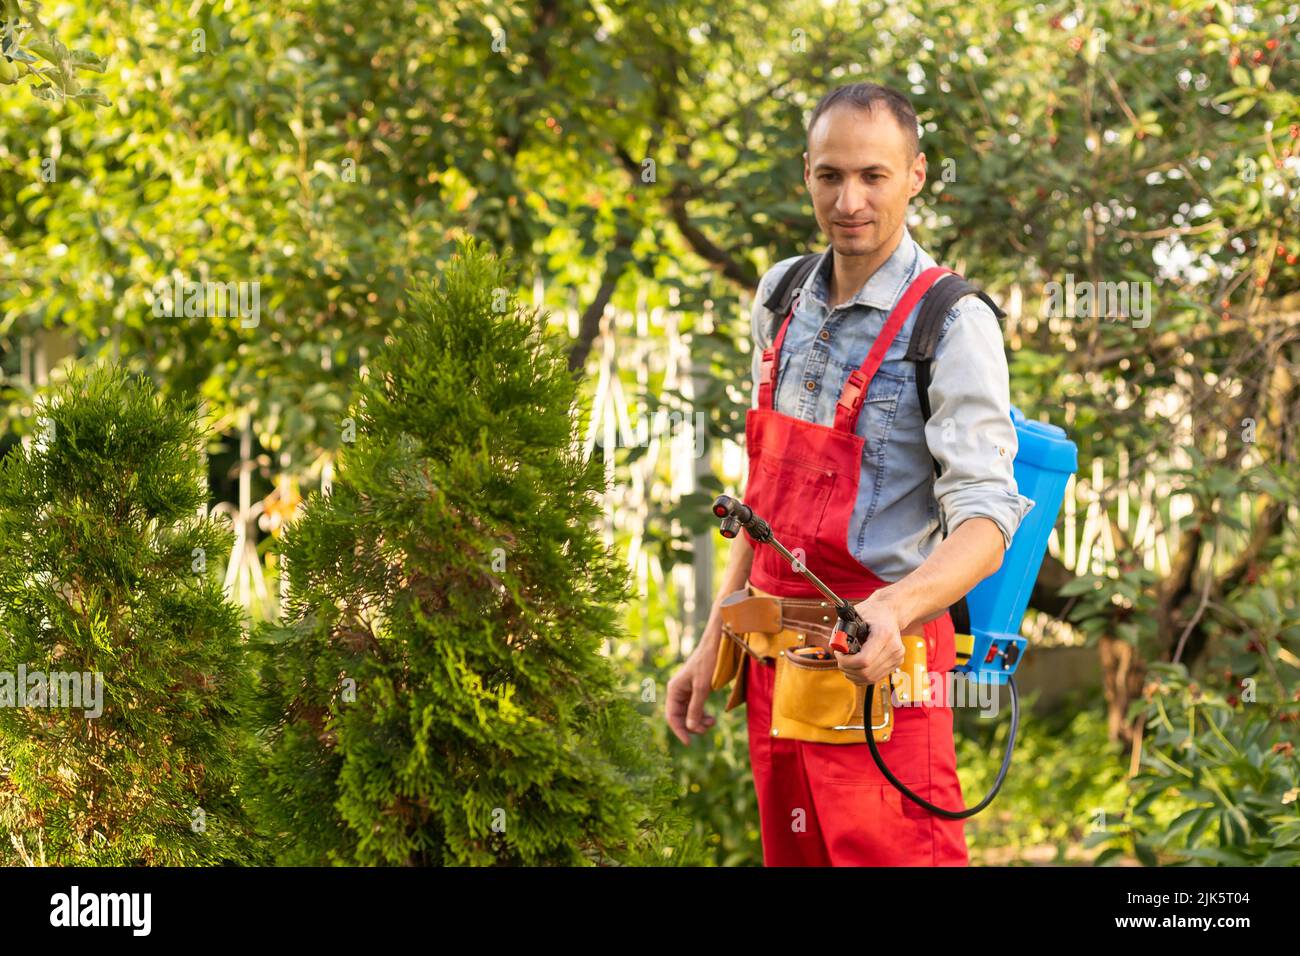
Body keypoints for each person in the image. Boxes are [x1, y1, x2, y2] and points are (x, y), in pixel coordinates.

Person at [665, 82, 1034, 866]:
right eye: (831, 175)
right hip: (779, 673)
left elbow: (988, 519)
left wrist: (895, 612)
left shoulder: (953, 321)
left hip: (886, 675)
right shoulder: (781, 296)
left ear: (917, 176)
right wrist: (713, 642)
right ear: (807, 174)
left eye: (874, 175)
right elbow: (761, 499)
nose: (850, 199)